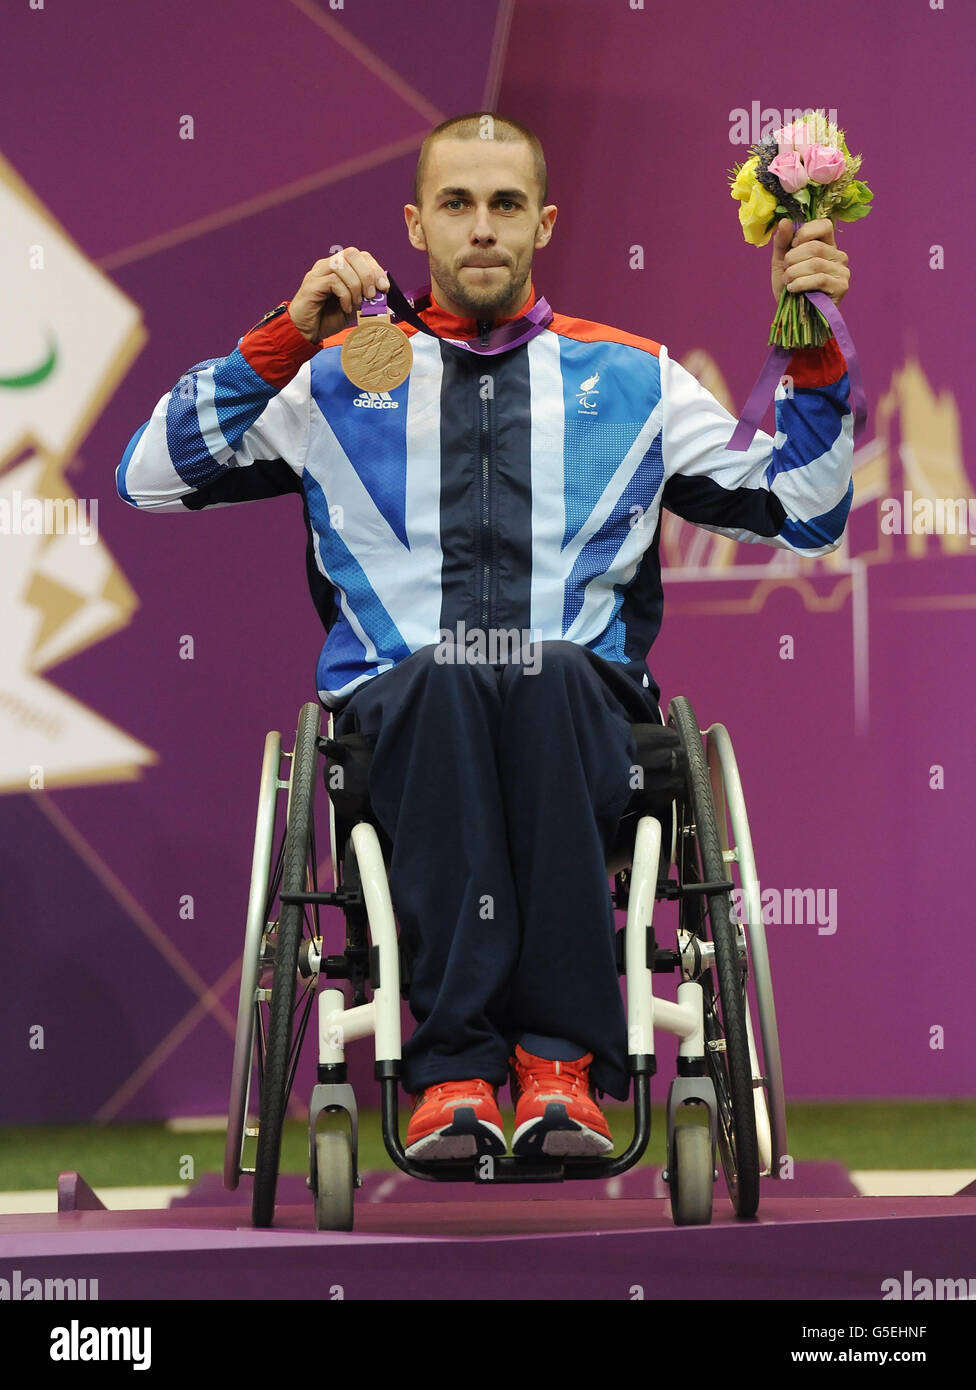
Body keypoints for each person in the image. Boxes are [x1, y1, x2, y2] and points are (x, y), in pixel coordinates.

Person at [118, 111, 853, 1162]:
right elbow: (151, 474)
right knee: (450, 675)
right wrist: (286, 332)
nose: (482, 227)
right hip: (396, 730)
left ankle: (562, 1064)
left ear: (543, 223)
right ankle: (454, 1065)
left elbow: (807, 511)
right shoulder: (332, 379)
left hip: (582, 722)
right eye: (456, 204)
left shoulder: (637, 381)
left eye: (506, 204)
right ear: (416, 222)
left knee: (542, 668)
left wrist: (811, 331)